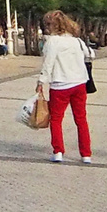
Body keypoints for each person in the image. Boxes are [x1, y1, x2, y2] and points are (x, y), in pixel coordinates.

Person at [36, 11, 92, 163]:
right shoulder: (76, 41)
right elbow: (90, 54)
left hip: (60, 84)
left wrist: (41, 81)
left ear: (51, 26)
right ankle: (86, 154)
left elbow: (48, 63)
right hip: (79, 83)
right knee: (81, 119)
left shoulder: (53, 42)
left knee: (56, 119)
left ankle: (58, 151)